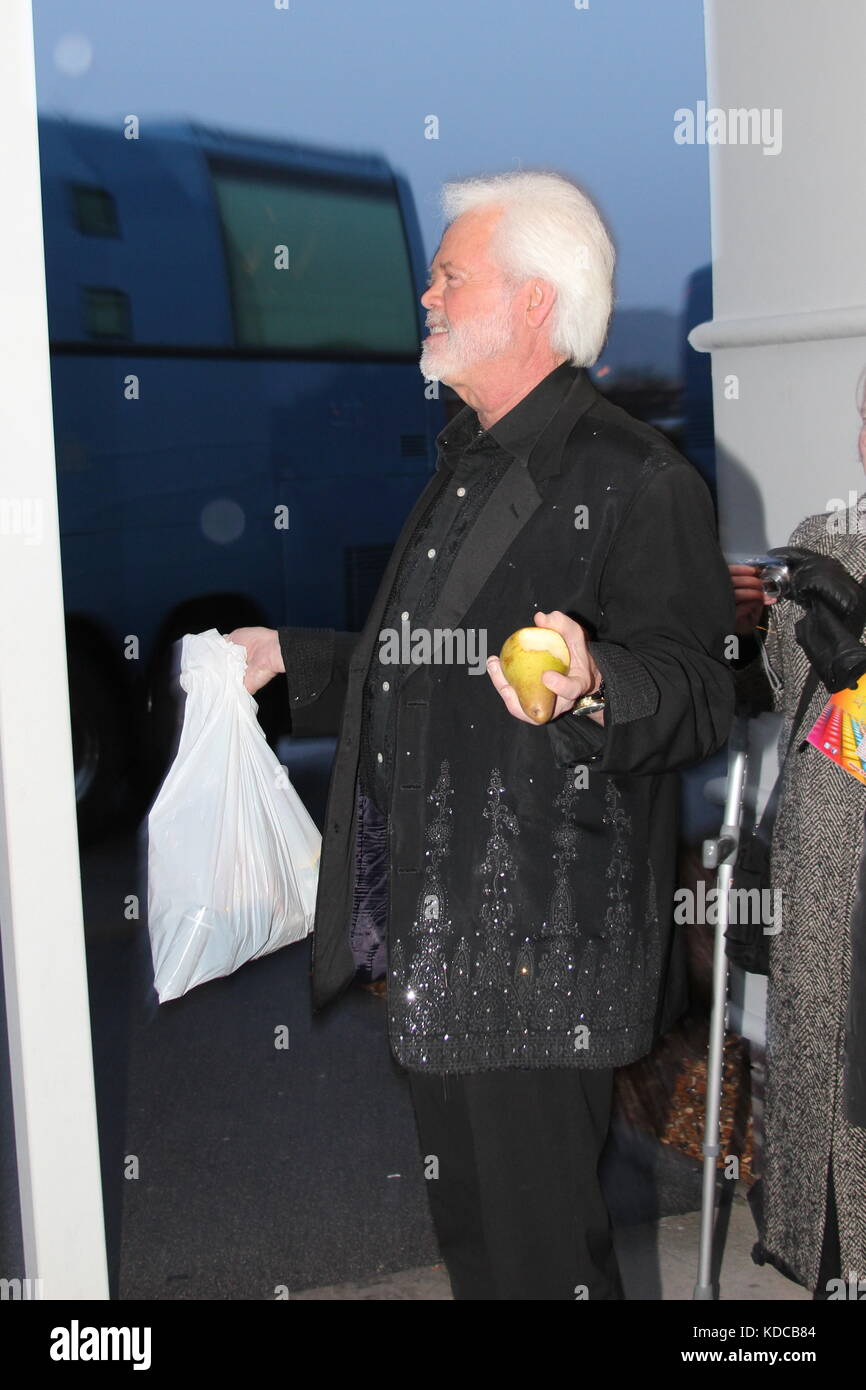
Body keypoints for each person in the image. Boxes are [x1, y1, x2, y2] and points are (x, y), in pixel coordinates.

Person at [229, 170, 735, 1300]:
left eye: (450, 273)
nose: (426, 294)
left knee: (542, 1262)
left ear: (533, 303)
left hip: (540, 947)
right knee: (480, 1255)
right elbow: (417, 671)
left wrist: (598, 679)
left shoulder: (635, 476)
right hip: (438, 936)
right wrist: (285, 663)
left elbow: (702, 687)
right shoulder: (465, 463)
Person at [730, 370, 866, 1297]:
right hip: (819, 840)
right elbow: (789, 694)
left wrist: (860, 646)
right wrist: (765, 620)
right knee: (814, 1035)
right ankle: (818, 1248)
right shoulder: (830, 536)